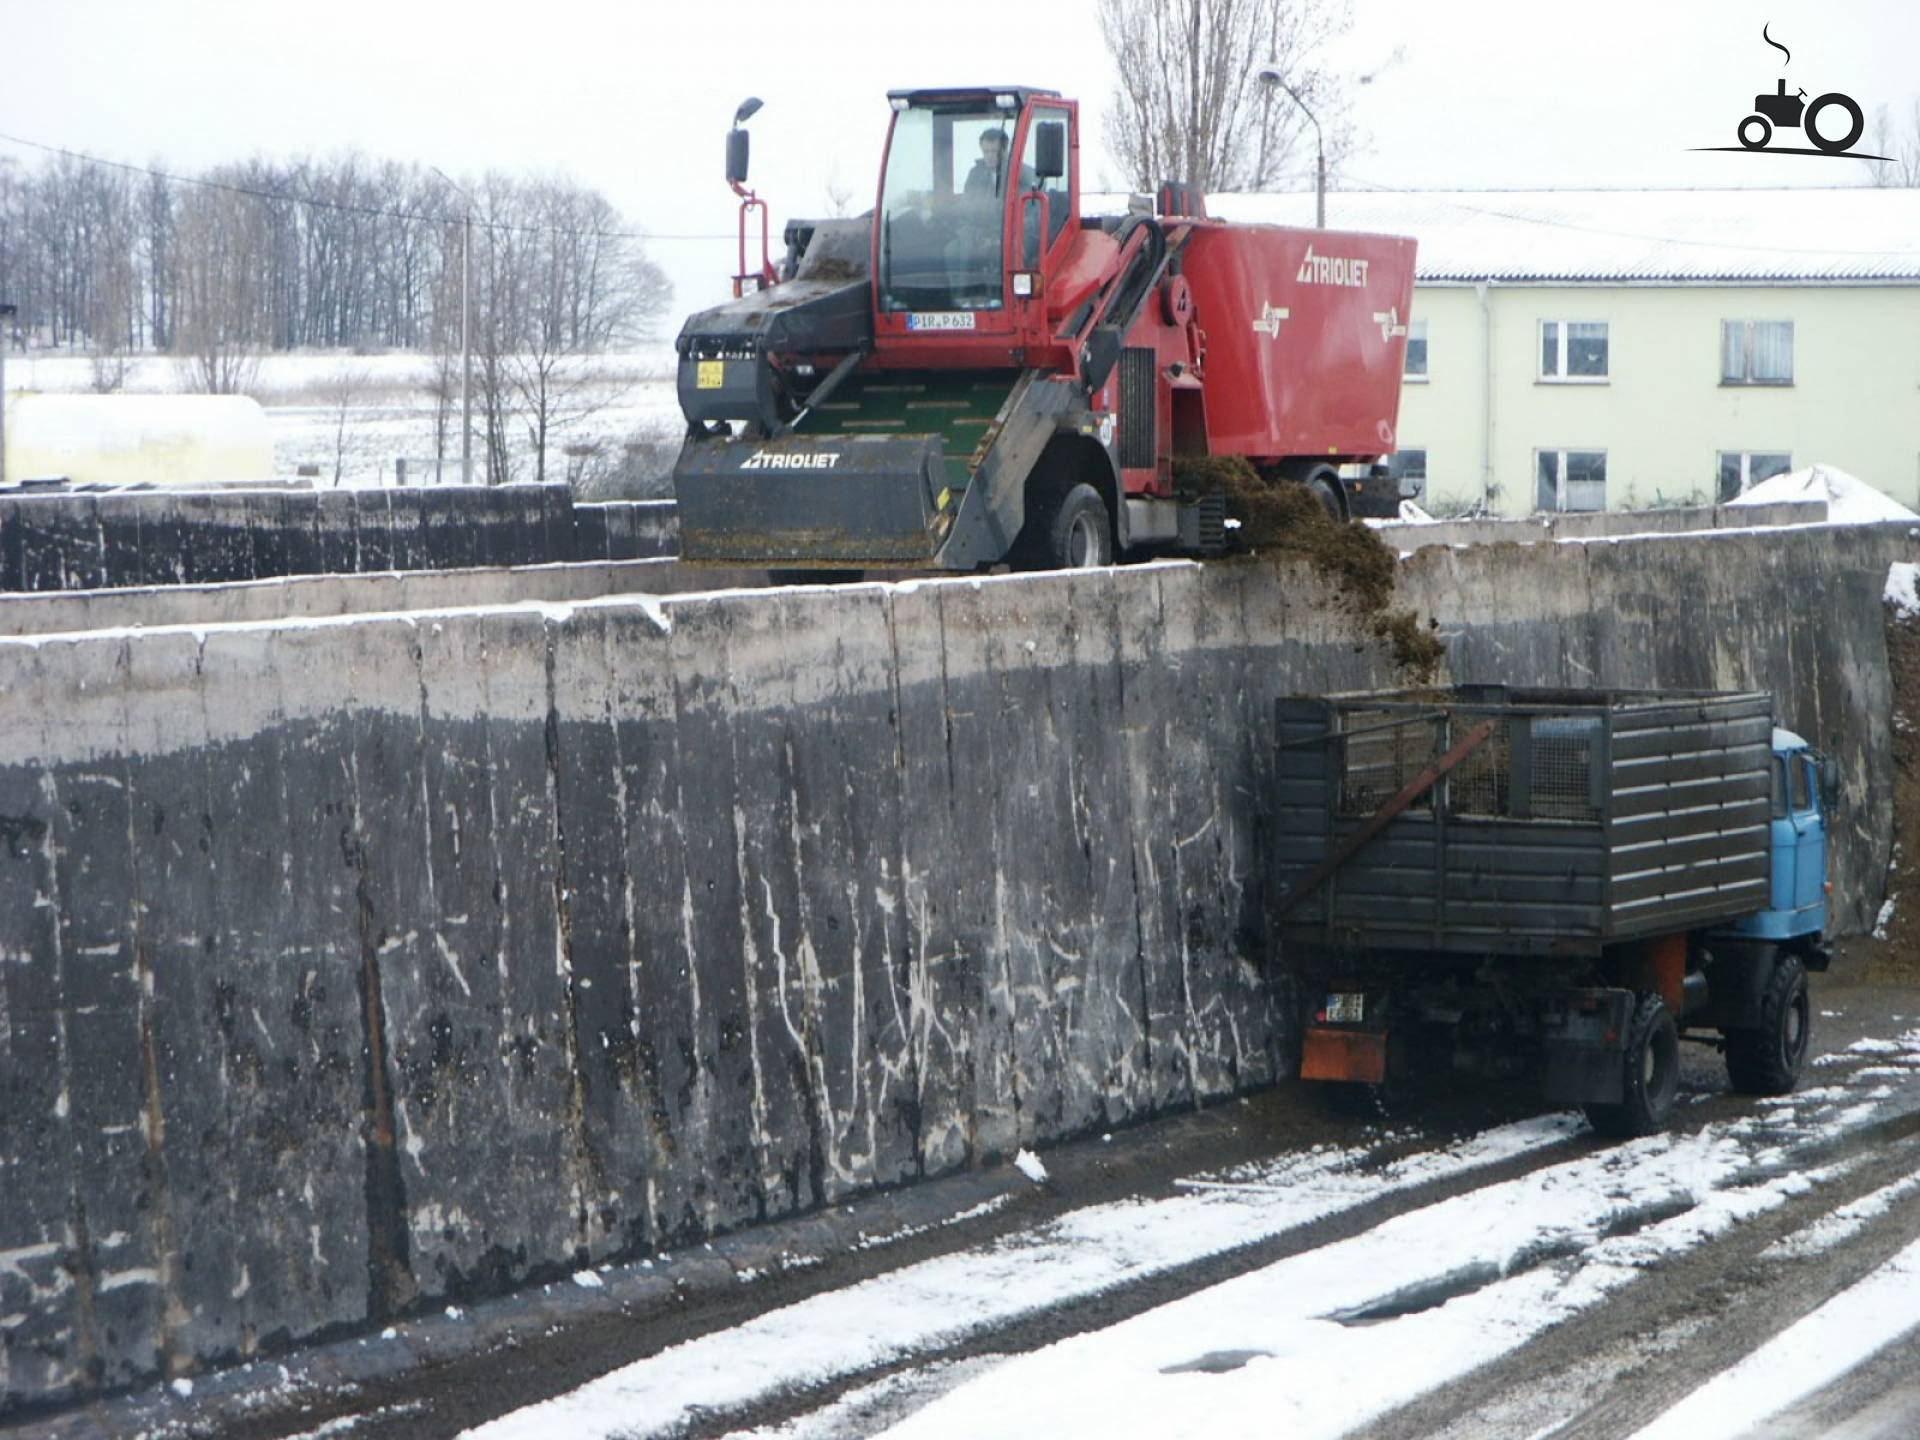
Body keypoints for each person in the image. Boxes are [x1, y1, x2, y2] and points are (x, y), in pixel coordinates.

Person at [964, 128, 1033, 199]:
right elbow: (967, 200)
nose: (990, 156)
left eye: (994, 151)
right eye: (986, 151)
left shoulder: (1023, 173)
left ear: (1005, 149)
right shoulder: (975, 174)